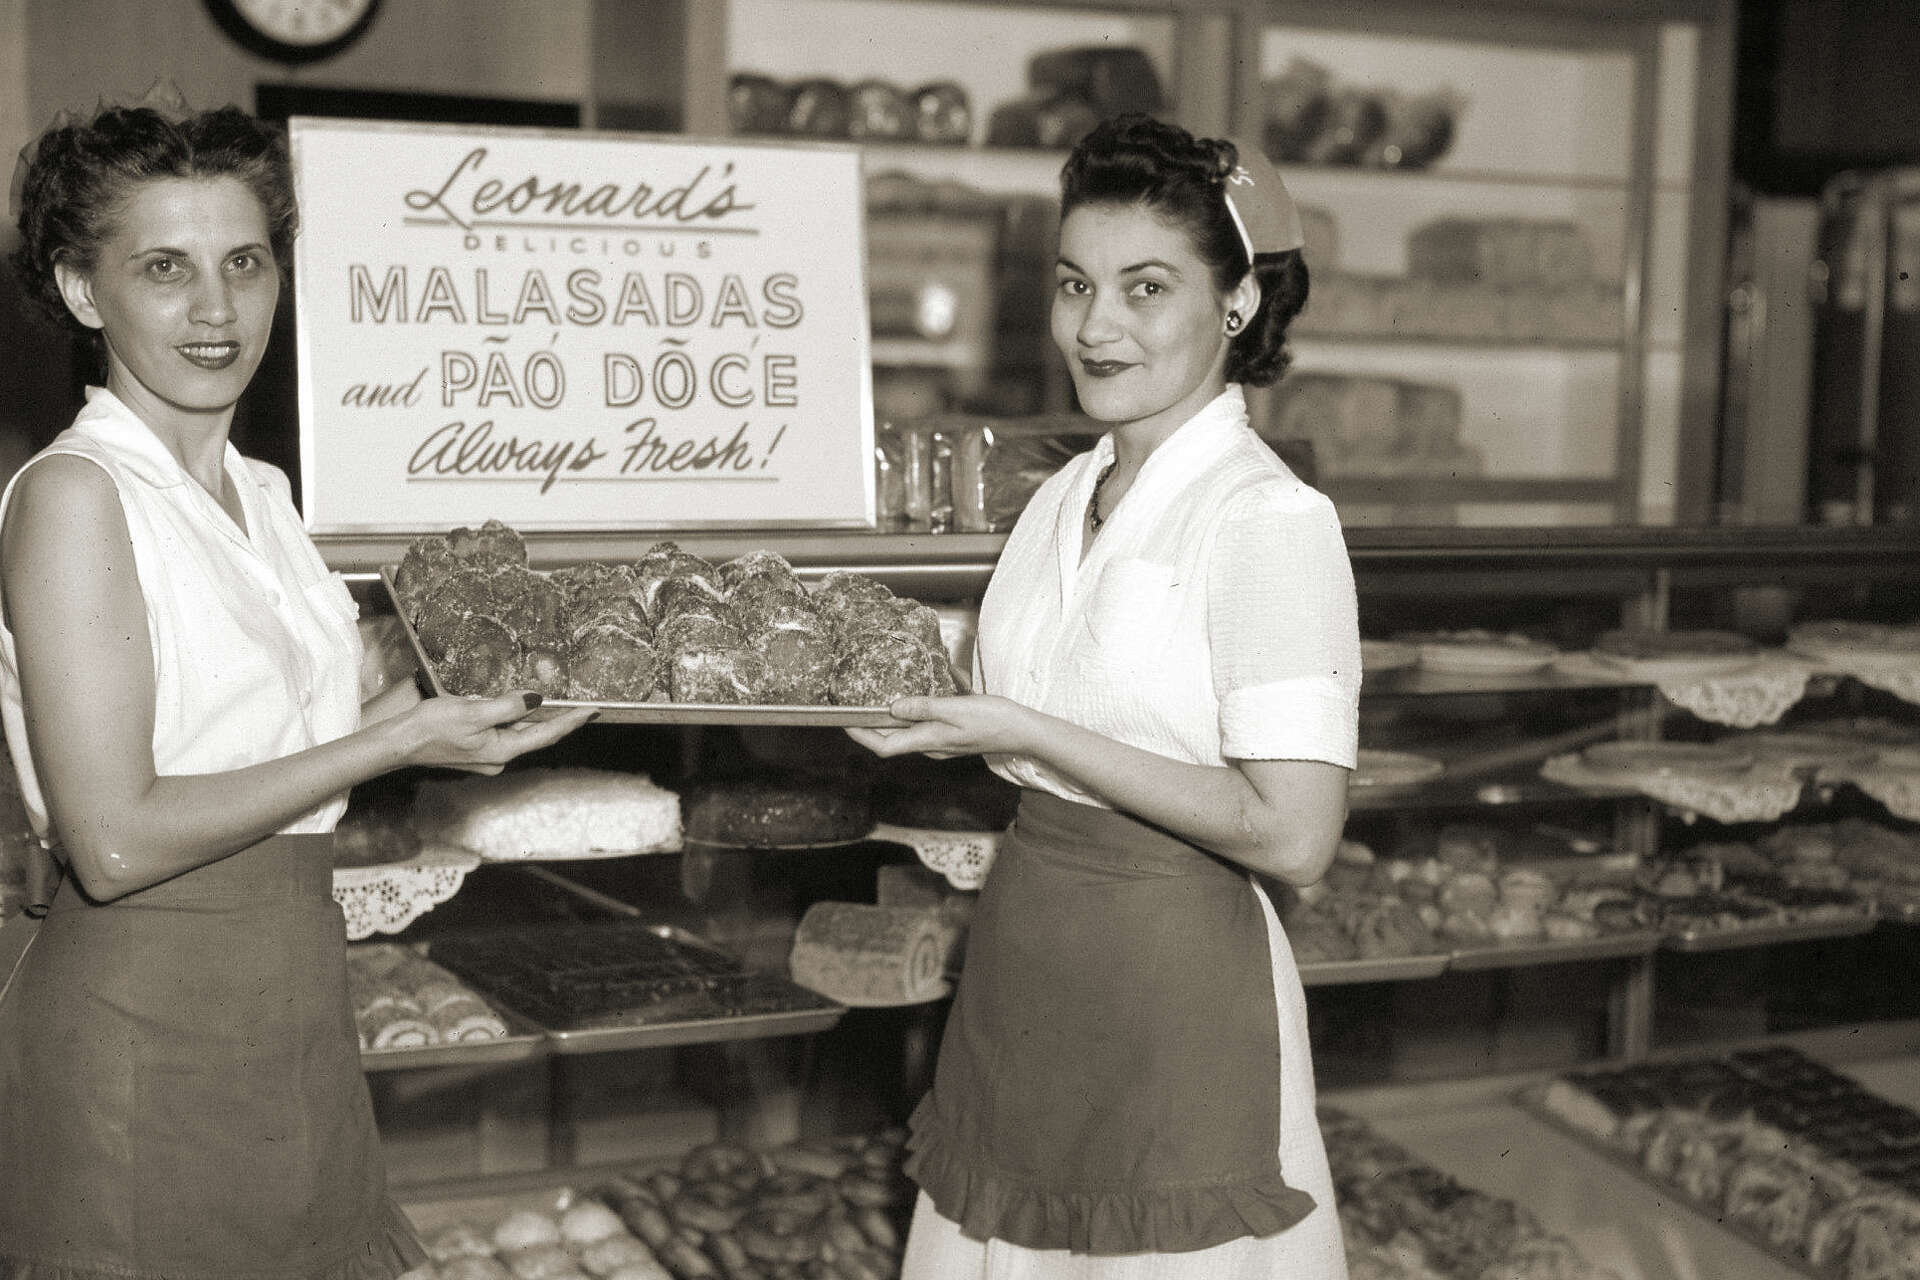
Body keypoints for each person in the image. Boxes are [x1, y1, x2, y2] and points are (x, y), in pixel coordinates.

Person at [0, 94, 594, 1278]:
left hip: (287, 1009)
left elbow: (276, 745)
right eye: (164, 268)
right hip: (143, 1016)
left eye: (246, 262)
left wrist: (464, 712)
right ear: (80, 290)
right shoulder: (76, 497)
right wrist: (396, 742)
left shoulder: (261, 498)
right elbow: (113, 837)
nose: (216, 310)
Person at [849, 114, 1361, 1279]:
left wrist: (1026, 728)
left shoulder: (1267, 519)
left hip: (1178, 990)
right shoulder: (1062, 493)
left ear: (1236, 305)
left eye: (1146, 287)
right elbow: (1040, 682)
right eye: (1077, 283)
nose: (1095, 325)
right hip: (1031, 968)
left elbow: (1294, 829)